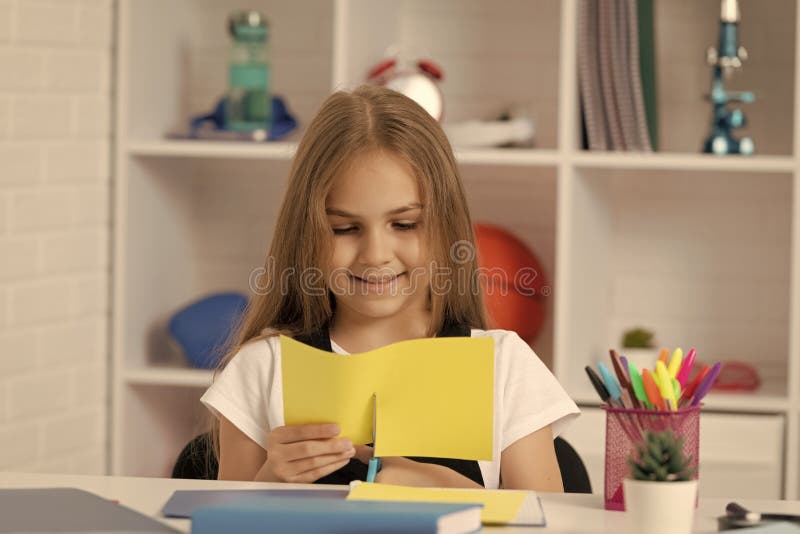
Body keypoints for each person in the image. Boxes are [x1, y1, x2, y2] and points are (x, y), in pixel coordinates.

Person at [200, 85, 579, 491]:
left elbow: (546, 523)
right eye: (344, 229)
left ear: (446, 227)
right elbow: (222, 520)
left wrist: (463, 494)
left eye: (404, 224)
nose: (376, 254)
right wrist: (269, 482)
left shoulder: (505, 368)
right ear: (306, 233)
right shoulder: (260, 371)